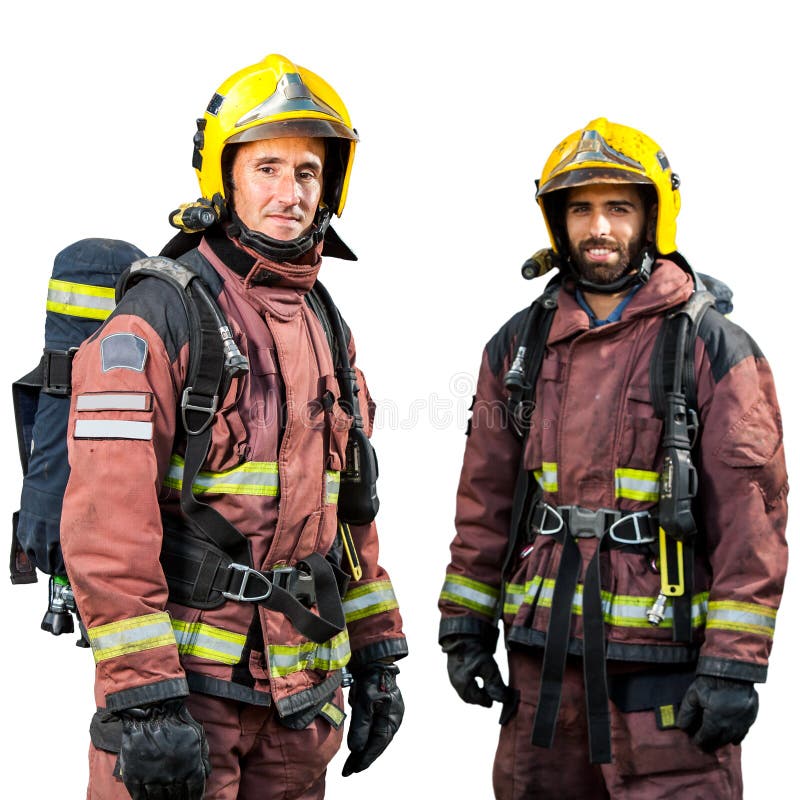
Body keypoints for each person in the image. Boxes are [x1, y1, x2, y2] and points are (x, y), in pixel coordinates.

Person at [60, 53, 407, 800]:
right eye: (268, 168)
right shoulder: (160, 317)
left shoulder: (325, 323)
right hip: (186, 699)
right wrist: (144, 698)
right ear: (224, 177)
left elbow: (347, 512)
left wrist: (378, 654)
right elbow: (104, 523)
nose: (290, 192)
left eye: (308, 172)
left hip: (298, 697)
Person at [438, 118, 788, 798]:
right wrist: (465, 626)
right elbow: (486, 498)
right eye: (582, 209)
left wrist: (734, 666)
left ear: (652, 216)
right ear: (558, 222)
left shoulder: (712, 347)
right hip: (544, 669)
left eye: (618, 208)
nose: (599, 227)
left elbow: (754, 521)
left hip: (669, 673)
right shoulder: (516, 348)